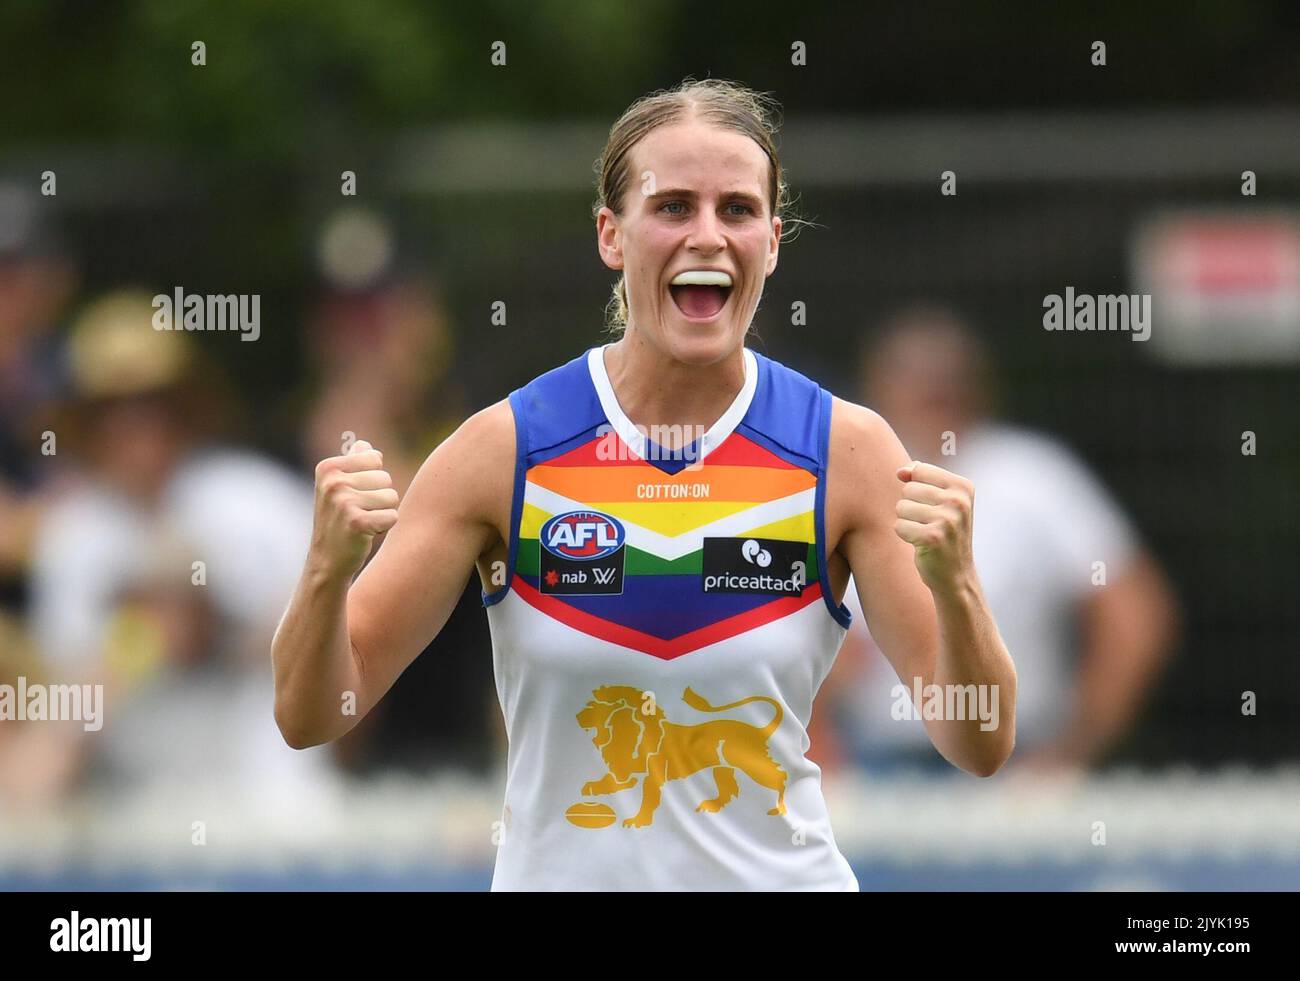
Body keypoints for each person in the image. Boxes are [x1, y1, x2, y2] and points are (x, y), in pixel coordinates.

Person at [272, 78, 1017, 891]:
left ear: (772, 239)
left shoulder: (845, 449)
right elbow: (312, 716)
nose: (707, 235)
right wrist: (325, 570)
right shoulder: (504, 448)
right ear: (610, 235)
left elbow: (977, 741)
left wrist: (959, 586)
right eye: (672, 207)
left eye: (736, 209)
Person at [813, 307, 1179, 778]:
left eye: (945, 378)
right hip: (872, 767)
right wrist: (820, 751)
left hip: (1014, 763)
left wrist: (1070, 752)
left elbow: (1135, 616)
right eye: (914, 377)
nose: (932, 393)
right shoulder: (847, 475)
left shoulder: (1035, 477)